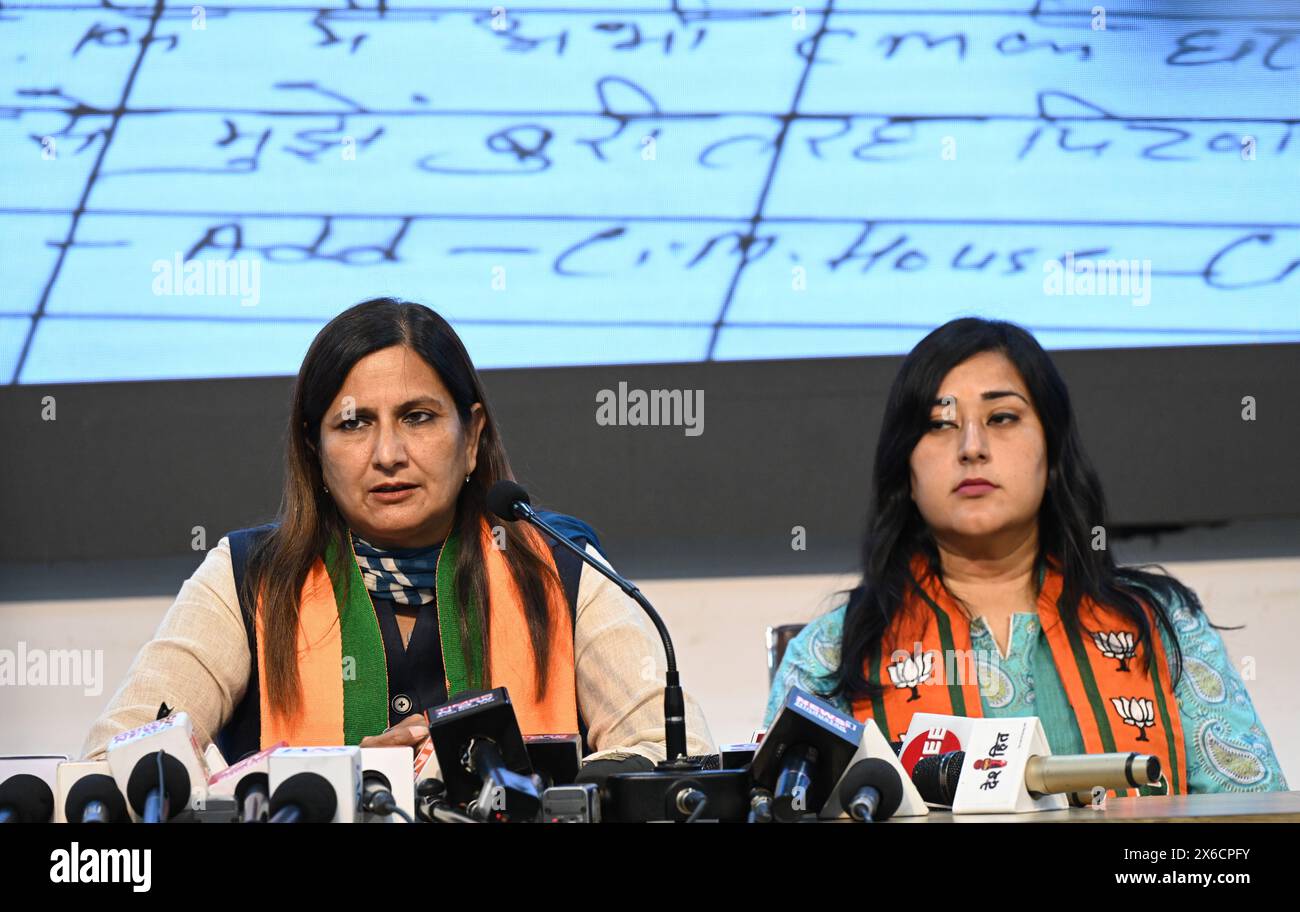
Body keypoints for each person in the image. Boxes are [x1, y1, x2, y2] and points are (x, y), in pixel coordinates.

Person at [83, 298, 714, 770]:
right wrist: (344, 782)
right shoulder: (249, 576)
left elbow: (677, 754)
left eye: (418, 418)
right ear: (314, 449)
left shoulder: (559, 564)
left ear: (472, 438)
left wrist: (507, 782)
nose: (388, 454)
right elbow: (113, 764)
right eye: (354, 424)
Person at [765, 318, 1286, 795]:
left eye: (1002, 417)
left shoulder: (1160, 622)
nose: (972, 446)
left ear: (1052, 454)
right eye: (941, 424)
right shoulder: (832, 652)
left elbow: (1252, 816)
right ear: (906, 467)